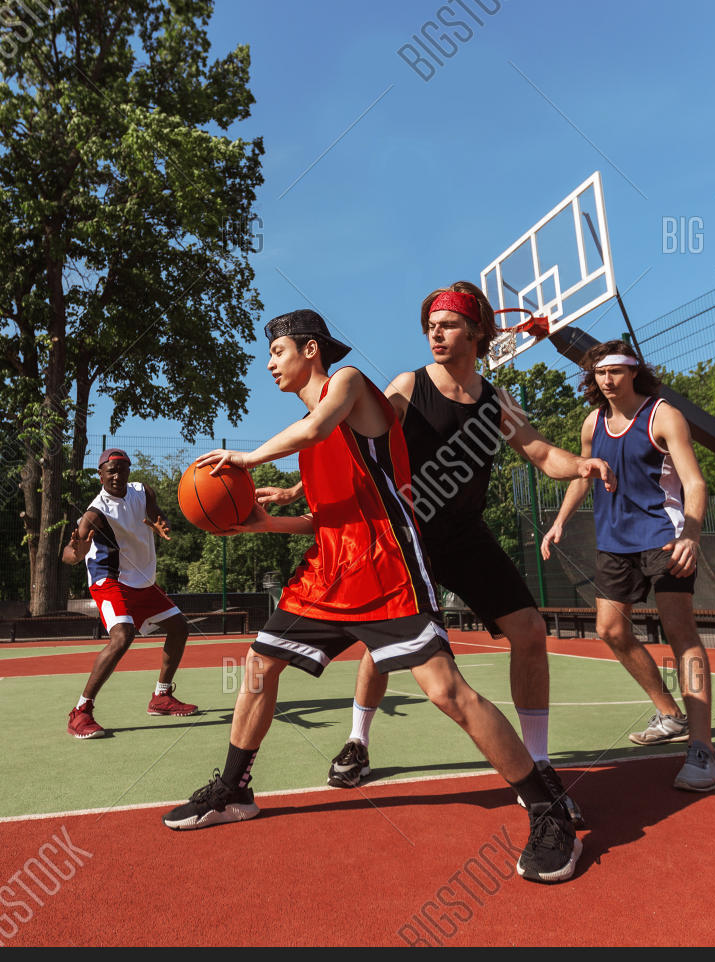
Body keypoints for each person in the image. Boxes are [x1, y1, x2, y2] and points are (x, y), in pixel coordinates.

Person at [162, 309, 582, 884]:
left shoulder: (350, 385)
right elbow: (321, 519)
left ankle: (546, 809)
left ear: (311, 350)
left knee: (445, 690)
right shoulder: (312, 436)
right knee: (261, 662)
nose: (270, 364)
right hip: (329, 569)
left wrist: (244, 456)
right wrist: (261, 524)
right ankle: (235, 787)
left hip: (386, 563)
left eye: (278, 351)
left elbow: (313, 432)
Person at [257, 282, 612, 822]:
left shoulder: (496, 402)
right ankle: (358, 740)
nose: (434, 333)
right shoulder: (408, 386)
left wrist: (580, 464)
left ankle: (538, 761)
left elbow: (542, 453)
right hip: (408, 533)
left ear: (475, 331)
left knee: (530, 632)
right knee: (383, 650)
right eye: (430, 325)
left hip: (465, 536)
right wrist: (294, 492)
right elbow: (358, 447)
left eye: (446, 324)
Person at [540, 339, 715, 791]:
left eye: (616, 371)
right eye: (600, 372)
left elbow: (695, 482)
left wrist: (691, 536)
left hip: (665, 539)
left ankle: (703, 749)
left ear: (633, 372)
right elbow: (583, 475)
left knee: (682, 634)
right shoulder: (592, 422)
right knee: (611, 630)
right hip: (615, 545)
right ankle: (669, 713)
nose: (607, 379)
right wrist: (559, 521)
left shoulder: (662, 416)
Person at [59, 447, 198, 738]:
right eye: (111, 471)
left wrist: (161, 521)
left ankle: (161, 697)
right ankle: (80, 712)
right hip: (109, 579)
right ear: (100, 475)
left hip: (142, 579)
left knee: (179, 628)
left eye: (122, 469)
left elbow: (154, 513)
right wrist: (78, 551)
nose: (117, 476)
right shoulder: (96, 513)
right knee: (123, 636)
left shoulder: (142, 491)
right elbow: (67, 554)